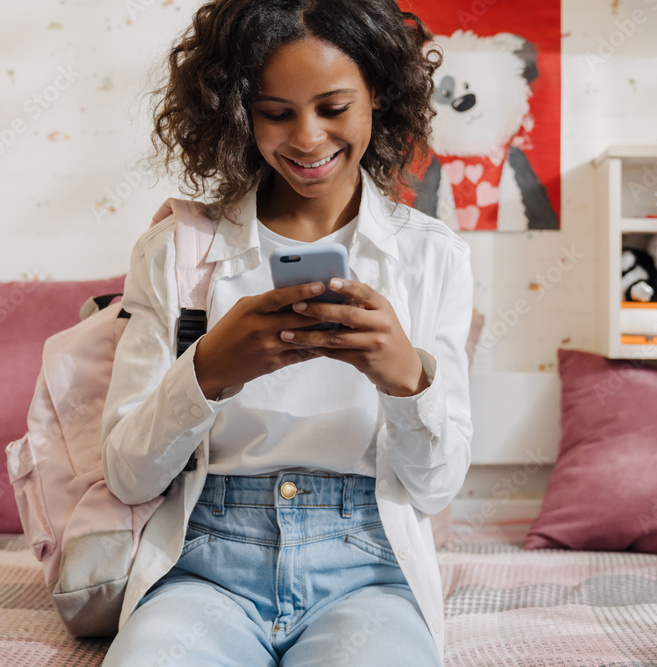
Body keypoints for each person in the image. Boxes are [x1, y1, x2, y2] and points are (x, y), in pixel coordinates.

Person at [99, 0, 473, 665]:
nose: (306, 139)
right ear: (239, 110)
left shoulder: (431, 256)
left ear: (377, 95)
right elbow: (128, 476)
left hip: (368, 572)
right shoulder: (174, 252)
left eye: (333, 108)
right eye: (277, 112)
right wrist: (206, 371)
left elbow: (437, 486)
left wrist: (406, 377)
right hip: (205, 566)